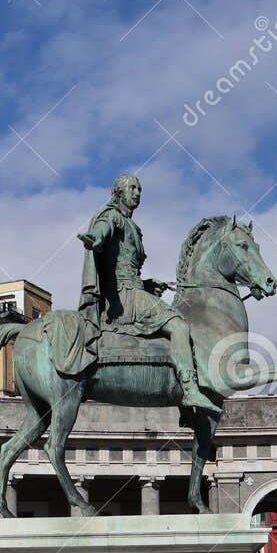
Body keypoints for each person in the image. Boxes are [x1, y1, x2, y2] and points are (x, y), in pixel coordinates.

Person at [77, 173, 216, 413]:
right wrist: (96, 238)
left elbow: (124, 267)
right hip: (124, 297)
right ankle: (190, 389)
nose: (137, 193)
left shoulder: (133, 226)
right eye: (132, 188)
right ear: (119, 192)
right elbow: (103, 228)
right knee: (179, 327)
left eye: (139, 189)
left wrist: (148, 285)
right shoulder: (113, 216)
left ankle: (184, 408)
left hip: (134, 290)